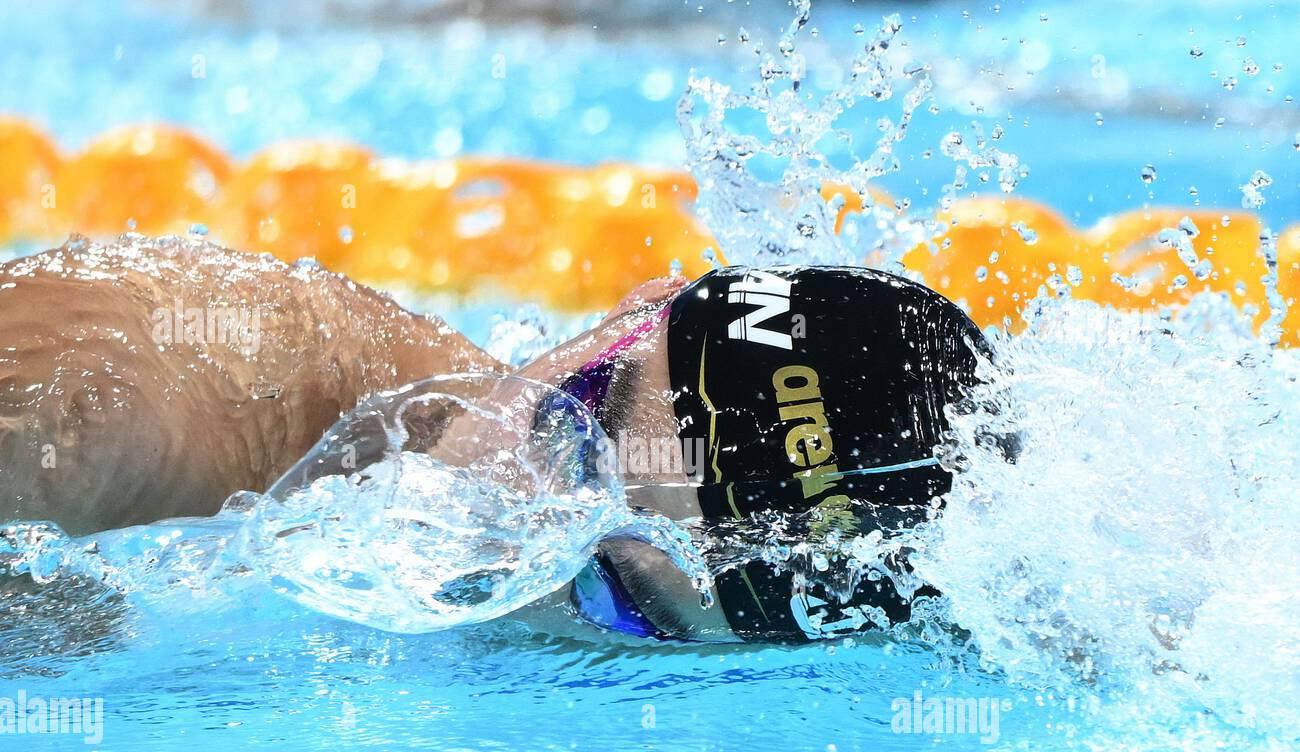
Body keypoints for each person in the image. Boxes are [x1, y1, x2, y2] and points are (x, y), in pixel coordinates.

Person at [0, 236, 983, 642]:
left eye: (620, 593)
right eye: (570, 437)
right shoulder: (156, 414)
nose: (522, 535)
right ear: (636, 310)